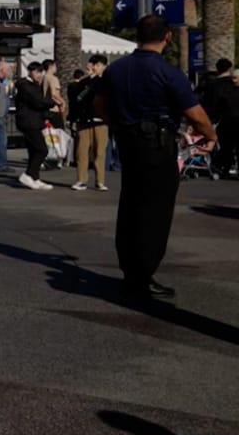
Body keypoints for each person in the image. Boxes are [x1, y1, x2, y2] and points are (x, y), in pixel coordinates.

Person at [96, 16, 218, 302]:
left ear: (137, 36)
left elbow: (99, 105)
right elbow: (195, 113)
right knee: (155, 212)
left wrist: (119, 125)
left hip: (128, 143)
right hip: (158, 145)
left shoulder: (116, 69)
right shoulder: (168, 71)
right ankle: (143, 274)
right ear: (167, 37)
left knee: (130, 206)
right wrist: (210, 135)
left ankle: (131, 272)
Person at [70, 54, 110, 191]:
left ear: (104, 66)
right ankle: (81, 179)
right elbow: (76, 98)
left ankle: (100, 181)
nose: (96, 68)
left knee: (99, 152)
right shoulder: (83, 83)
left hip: (101, 121)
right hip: (84, 120)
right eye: (94, 65)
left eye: (99, 65)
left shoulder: (107, 81)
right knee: (82, 150)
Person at [13, 62, 54, 191]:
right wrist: (52, 103)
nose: (39, 75)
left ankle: (34, 177)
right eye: (37, 72)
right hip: (29, 122)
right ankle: (28, 174)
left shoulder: (32, 85)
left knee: (33, 150)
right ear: (30, 72)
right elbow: (38, 102)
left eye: (40, 72)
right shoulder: (25, 85)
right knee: (42, 150)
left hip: (34, 121)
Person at [203, 58, 238, 177]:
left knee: (225, 145)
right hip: (228, 120)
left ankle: (223, 166)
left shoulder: (212, 84)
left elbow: (208, 103)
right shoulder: (230, 86)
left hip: (222, 120)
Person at [0, 59, 13, 170]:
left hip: (0, 115)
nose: (9, 72)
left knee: (1, 141)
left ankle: (1, 163)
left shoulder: (2, 82)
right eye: (8, 70)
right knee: (1, 141)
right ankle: (1, 164)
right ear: (2, 70)